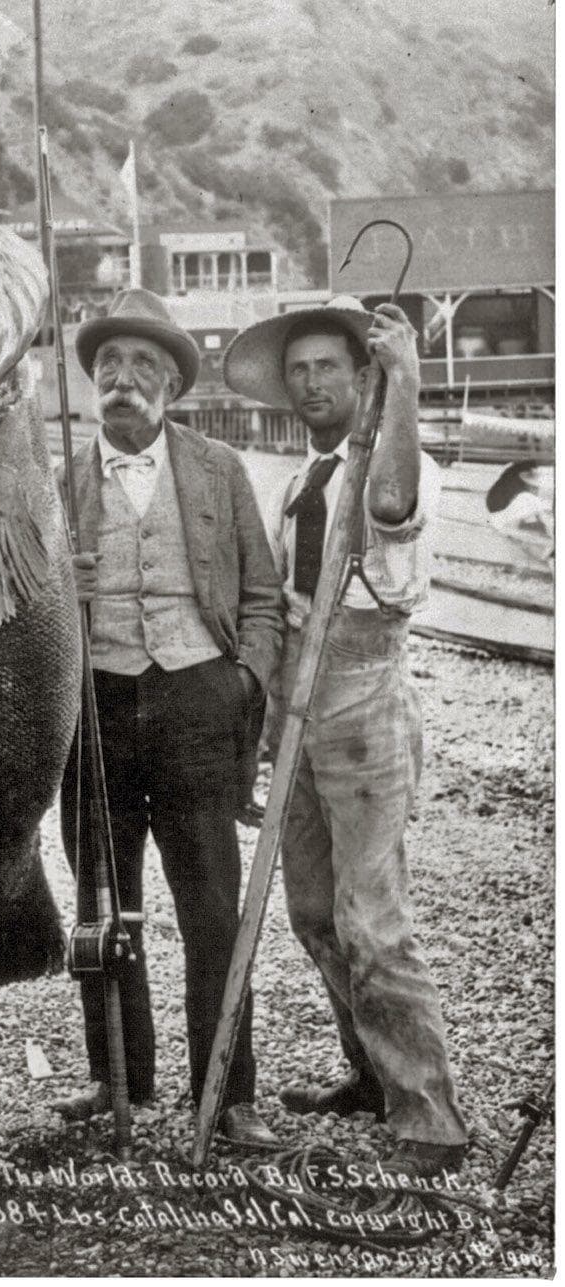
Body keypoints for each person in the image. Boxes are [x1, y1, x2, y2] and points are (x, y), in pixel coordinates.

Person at [224, 295, 467, 1176]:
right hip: (301, 699)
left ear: (361, 377)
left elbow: (393, 500)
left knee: (374, 918)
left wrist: (406, 378)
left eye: (330, 366)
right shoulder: (303, 482)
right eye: (299, 371)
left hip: (366, 696)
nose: (312, 382)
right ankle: (369, 1071)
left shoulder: (401, 461)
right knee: (314, 910)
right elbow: (290, 602)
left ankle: (430, 1115)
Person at [52, 288, 284, 1149]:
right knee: (101, 909)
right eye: (109, 366)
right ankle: (118, 1073)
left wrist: (242, 681)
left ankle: (227, 1091)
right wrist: (56, 592)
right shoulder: (62, 477)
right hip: (96, 707)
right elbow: (25, 604)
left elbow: (262, 595)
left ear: (173, 385)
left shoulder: (219, 468)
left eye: (142, 366)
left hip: (195, 700)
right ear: (92, 385)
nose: (122, 380)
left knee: (212, 910)